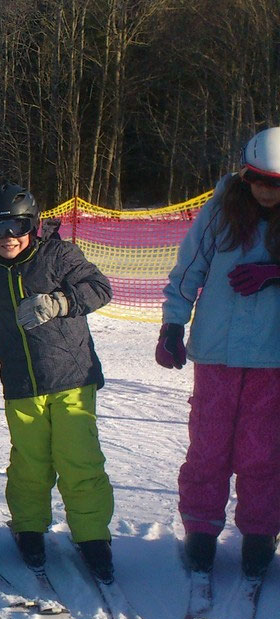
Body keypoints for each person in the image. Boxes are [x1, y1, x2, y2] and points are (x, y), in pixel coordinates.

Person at [0, 184, 117, 581]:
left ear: (33, 224)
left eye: (17, 226)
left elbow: (99, 287)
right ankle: (29, 528)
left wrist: (60, 302)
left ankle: (92, 537)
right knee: (30, 463)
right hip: (21, 380)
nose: (7, 238)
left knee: (79, 460)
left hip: (71, 376)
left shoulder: (58, 253)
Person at [158, 126, 280, 579]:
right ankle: (202, 529)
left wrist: (275, 272)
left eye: (277, 184)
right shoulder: (222, 209)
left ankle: (260, 532)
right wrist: (173, 324)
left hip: (273, 357)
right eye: (259, 181)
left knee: (263, 451)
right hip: (216, 352)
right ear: (246, 176)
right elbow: (190, 266)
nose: (267, 193)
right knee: (208, 447)